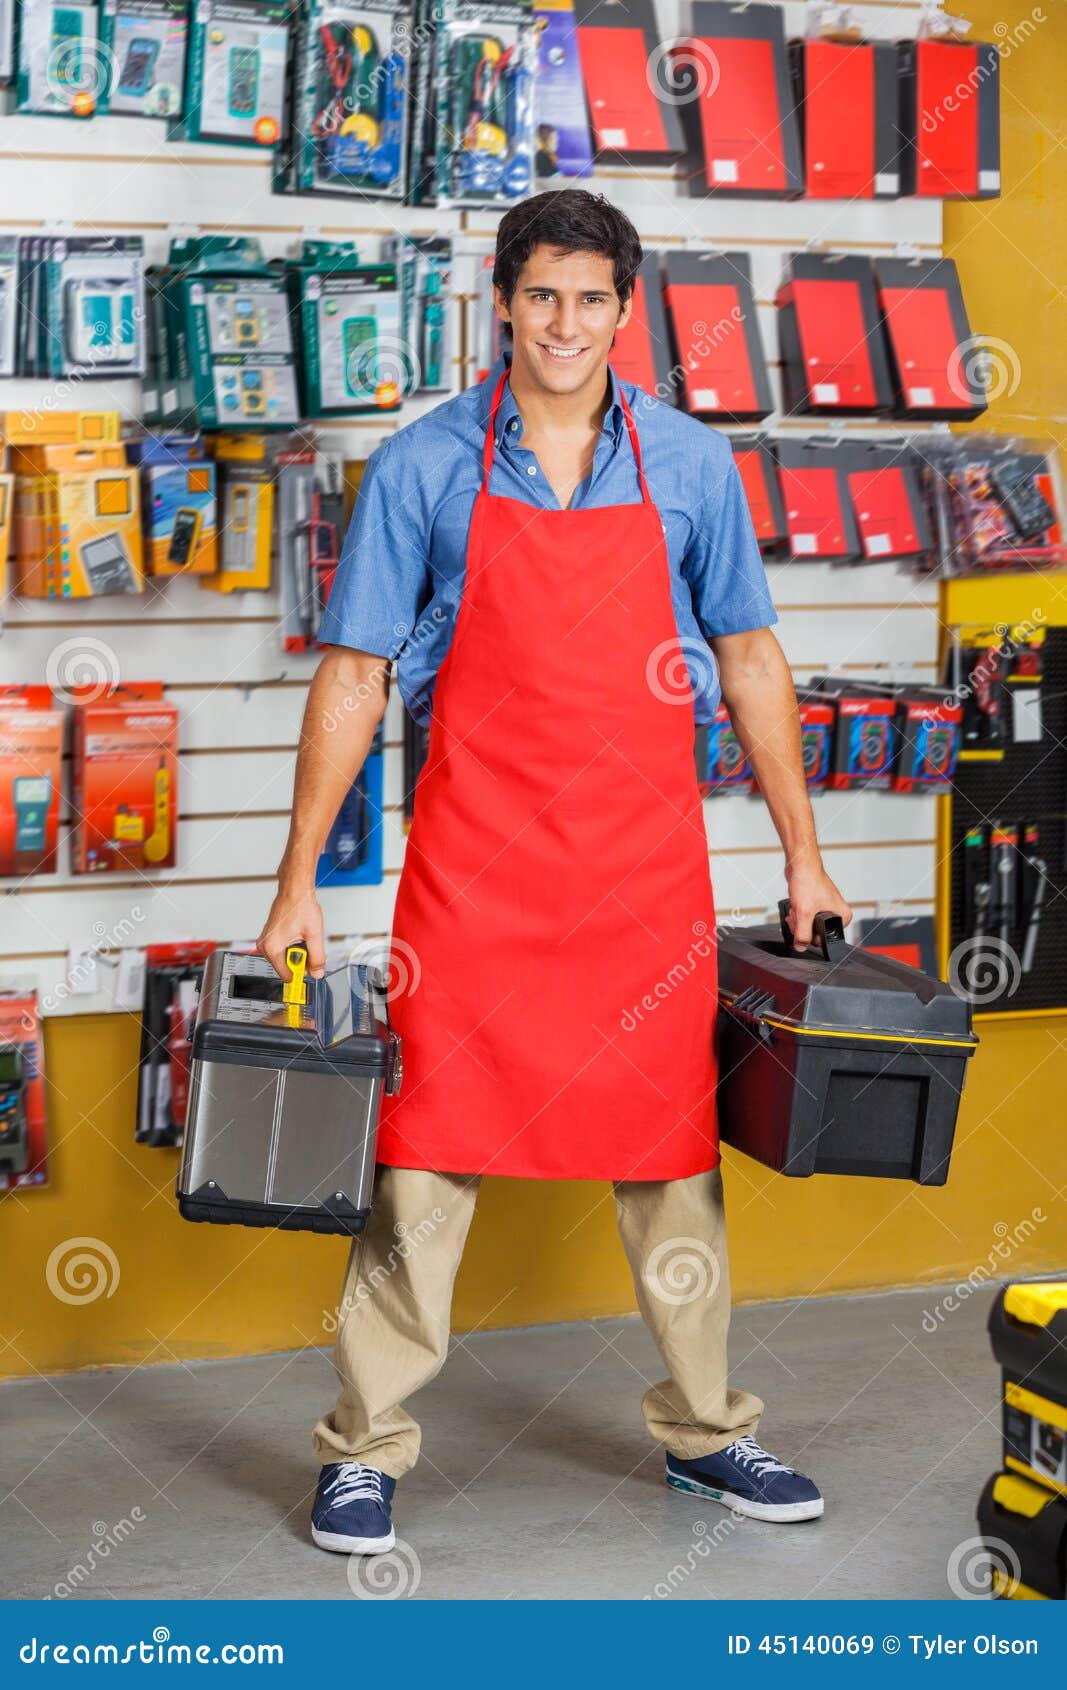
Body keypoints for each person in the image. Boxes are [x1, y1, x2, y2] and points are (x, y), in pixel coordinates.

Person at [258, 189, 852, 1557]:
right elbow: (353, 676)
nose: (566, 324)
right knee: (422, 1158)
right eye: (541, 298)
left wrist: (803, 850)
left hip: (643, 879)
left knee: (672, 1164)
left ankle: (708, 1434)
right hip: (474, 879)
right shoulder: (424, 465)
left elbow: (752, 661)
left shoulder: (696, 467)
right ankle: (364, 1449)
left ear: (626, 311)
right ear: (502, 305)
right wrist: (298, 878)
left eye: (592, 299)